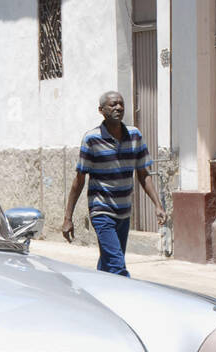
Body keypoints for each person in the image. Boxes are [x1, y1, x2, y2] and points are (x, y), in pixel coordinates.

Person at [61, 90, 166, 276]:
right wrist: (68, 217)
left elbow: (143, 174)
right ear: (101, 110)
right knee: (117, 265)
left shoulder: (135, 136)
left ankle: (96, 294)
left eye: (121, 104)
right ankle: (128, 299)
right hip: (101, 211)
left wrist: (158, 205)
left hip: (124, 212)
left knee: (108, 263)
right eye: (113, 104)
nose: (118, 107)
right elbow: (79, 180)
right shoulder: (91, 139)